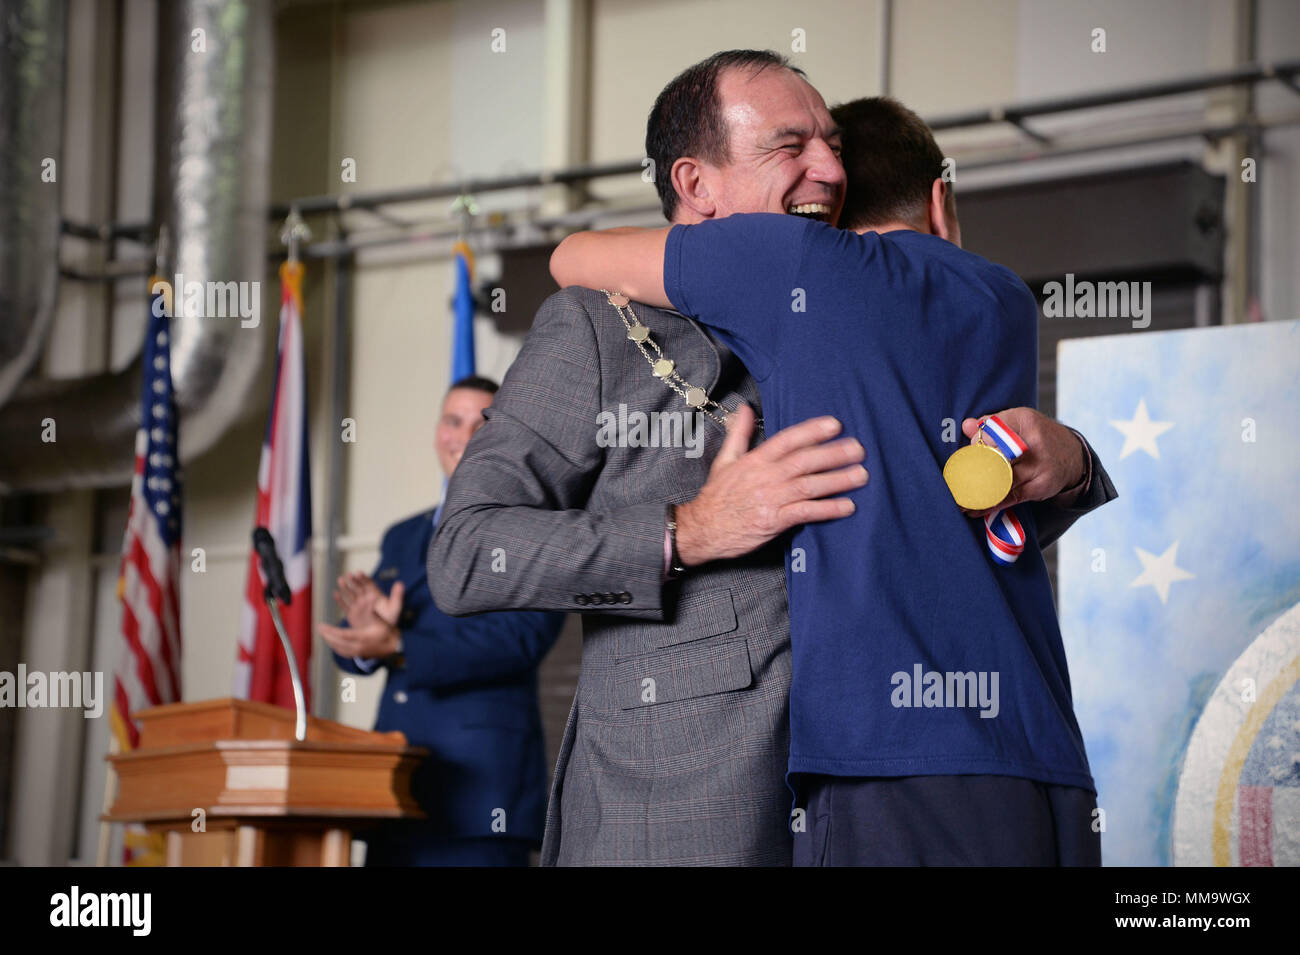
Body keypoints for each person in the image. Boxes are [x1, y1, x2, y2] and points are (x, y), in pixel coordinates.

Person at [430, 50, 1115, 866]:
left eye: (832, 143)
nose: (831, 168)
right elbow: (468, 553)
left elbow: (940, 539)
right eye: (791, 148)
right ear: (696, 185)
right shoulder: (596, 328)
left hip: (882, 806)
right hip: (681, 817)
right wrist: (688, 530)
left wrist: (1069, 459)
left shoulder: (860, 299)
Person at [317, 375, 565, 866]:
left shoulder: (537, 529)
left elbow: (519, 641)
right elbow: (373, 646)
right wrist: (365, 635)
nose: (463, 435)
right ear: (437, 431)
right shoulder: (402, 535)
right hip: (393, 790)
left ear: (506, 434)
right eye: (453, 421)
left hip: (479, 800)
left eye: (481, 423)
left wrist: (399, 644)